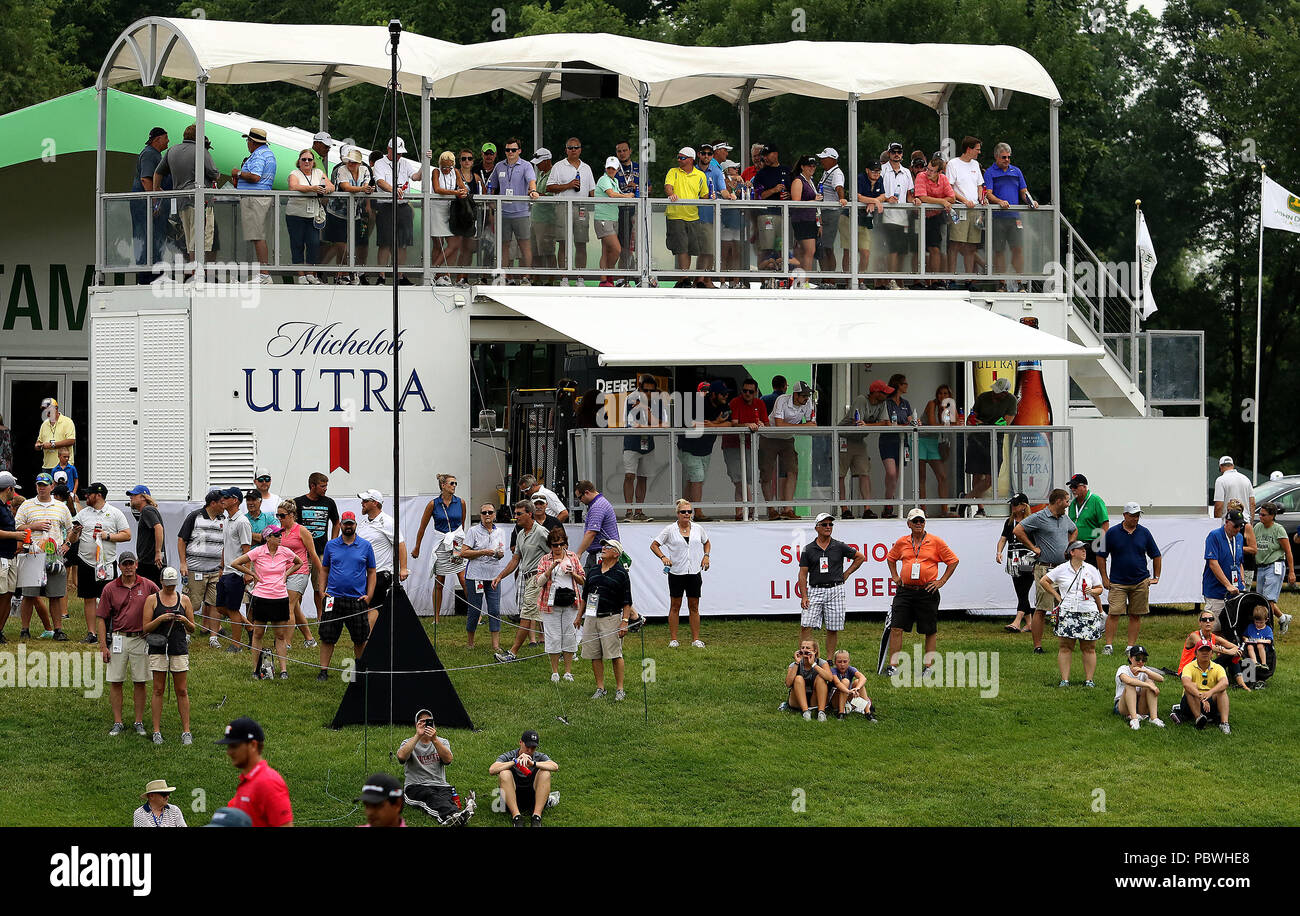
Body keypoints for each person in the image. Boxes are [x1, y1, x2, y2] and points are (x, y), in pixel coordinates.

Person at [882, 509, 960, 676]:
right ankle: (893, 666)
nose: (919, 524)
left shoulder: (936, 541)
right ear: (909, 524)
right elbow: (890, 558)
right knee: (896, 627)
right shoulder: (902, 542)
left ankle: (928, 666)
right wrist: (895, 575)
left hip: (927, 591)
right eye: (915, 521)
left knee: (929, 629)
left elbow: (953, 561)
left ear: (925, 523)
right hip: (905, 590)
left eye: (921, 521)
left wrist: (942, 581)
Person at [97, 551, 160, 736]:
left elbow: (162, 599)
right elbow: (101, 618)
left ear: (137, 564)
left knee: (140, 681)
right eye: (124, 564)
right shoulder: (110, 588)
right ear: (119, 566)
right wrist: (102, 646)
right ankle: (118, 722)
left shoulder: (148, 585)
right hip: (118, 638)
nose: (128, 567)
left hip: (141, 638)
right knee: (116, 681)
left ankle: (138, 721)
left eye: (131, 563)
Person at [231, 525, 302, 680]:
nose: (280, 537)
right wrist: (253, 574)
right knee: (258, 633)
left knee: (280, 635)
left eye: (280, 534)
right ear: (268, 537)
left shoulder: (285, 551)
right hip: (261, 597)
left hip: (279, 597)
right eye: (277, 535)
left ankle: (283, 670)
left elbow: (299, 563)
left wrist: (286, 575)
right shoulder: (258, 551)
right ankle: (255, 670)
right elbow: (235, 563)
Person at [1014, 488, 1078, 654]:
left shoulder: (1064, 518)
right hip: (1045, 569)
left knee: (1065, 606)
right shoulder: (1040, 517)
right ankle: (1038, 646)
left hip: (1064, 569)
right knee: (1042, 608)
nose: (1067, 504)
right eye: (1066, 500)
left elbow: (1074, 530)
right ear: (1058, 501)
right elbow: (1018, 530)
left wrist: (1070, 545)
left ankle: (1065, 643)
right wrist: (1033, 547)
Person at [1096, 501, 1162, 656]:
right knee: (1114, 613)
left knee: (1135, 614)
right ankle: (1108, 645)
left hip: (1140, 581)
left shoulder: (1144, 532)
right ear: (1124, 515)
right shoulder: (1112, 533)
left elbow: (1156, 555)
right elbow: (1101, 556)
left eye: (1138, 515)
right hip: (1118, 581)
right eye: (1132, 516)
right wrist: (1104, 578)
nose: (1136, 519)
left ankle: (1130, 647)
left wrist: (1156, 577)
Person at [69, 481, 132, 644]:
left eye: (89, 494)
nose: (86, 496)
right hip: (86, 561)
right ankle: (91, 633)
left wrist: (108, 536)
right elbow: (72, 537)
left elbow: (127, 535)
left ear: (98, 495)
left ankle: (110, 631)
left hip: (106, 562)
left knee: (109, 598)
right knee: (88, 598)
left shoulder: (115, 513)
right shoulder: (83, 514)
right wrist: (74, 533)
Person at [15, 472, 74, 641]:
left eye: (45, 485)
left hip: (54, 555)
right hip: (32, 554)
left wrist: (67, 544)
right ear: (36, 487)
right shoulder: (27, 505)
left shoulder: (61, 507)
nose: (41, 488)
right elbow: (17, 526)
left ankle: (58, 630)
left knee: (55, 595)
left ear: (51, 486)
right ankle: (24, 629)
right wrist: (33, 525)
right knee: (29, 595)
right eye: (39, 485)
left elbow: (70, 529)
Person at [317, 511, 376, 678]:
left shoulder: (365, 546)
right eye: (345, 523)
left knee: (360, 637)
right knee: (327, 636)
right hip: (333, 598)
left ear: (355, 525)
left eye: (351, 523)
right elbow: (324, 569)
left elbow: (372, 572)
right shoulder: (331, 545)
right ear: (341, 525)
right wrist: (322, 591)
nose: (348, 526)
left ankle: (360, 670)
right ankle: (323, 671)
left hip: (357, 599)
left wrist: (369, 595)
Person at [798, 513, 864, 660]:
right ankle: (804, 657)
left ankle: (828, 660)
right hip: (815, 589)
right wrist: (804, 595)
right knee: (806, 624)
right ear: (817, 528)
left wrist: (846, 573)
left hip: (835, 589)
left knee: (833, 627)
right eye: (824, 524)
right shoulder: (808, 549)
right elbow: (802, 574)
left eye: (830, 524)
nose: (828, 527)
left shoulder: (839, 546)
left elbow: (860, 557)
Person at [1040, 539, 1105, 686]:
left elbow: (1100, 588)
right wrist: (1057, 596)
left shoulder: (1091, 569)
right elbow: (1044, 581)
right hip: (1068, 610)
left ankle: (1089, 680)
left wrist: (1092, 591)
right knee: (1065, 646)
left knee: (1089, 647)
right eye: (1080, 549)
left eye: (1085, 549)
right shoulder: (1061, 569)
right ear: (1072, 552)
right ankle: (1065, 680)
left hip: (1088, 610)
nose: (1084, 551)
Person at [141, 566, 195, 744]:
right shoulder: (152, 600)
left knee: (182, 690)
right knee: (158, 689)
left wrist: (185, 620)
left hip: (178, 648)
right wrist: (161, 619)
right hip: (158, 648)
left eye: (173, 584)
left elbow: (192, 629)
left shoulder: (184, 600)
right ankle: (156, 731)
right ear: (161, 582)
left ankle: (186, 731)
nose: (171, 588)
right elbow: (145, 628)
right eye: (168, 584)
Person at [492, 501, 550, 663]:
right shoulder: (520, 534)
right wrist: (500, 576)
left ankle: (512, 653)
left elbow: (556, 552)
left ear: (529, 514)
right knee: (544, 616)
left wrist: (546, 575)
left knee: (526, 615)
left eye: (519, 514)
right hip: (525, 579)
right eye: (515, 514)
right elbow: (515, 559)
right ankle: (565, 650)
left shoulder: (541, 532)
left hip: (538, 579)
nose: (515, 517)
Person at [398, 708, 475, 825]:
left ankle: (456, 816)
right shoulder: (408, 742)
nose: (425, 724)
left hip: (441, 785)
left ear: (434, 724)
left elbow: (448, 760)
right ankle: (453, 816)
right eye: (421, 722)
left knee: (443, 799)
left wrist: (433, 739)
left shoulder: (442, 742)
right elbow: (401, 757)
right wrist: (418, 735)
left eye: (429, 721)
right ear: (416, 725)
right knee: (430, 796)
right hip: (416, 786)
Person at [651, 499, 711, 648]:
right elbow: (654, 545)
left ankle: (696, 639)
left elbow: (707, 542)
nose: (687, 514)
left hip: (694, 572)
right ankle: (673, 639)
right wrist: (663, 557)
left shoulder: (698, 528)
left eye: (689, 511)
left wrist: (706, 556)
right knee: (675, 605)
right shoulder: (670, 530)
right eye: (683, 512)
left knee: (694, 605)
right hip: (677, 572)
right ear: (677, 514)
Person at [581, 539, 636, 700]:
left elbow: (627, 601)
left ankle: (620, 689)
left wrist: (624, 621)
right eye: (603, 546)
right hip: (591, 618)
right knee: (594, 654)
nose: (603, 548)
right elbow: (585, 596)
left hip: (611, 618)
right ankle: (600, 688)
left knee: (615, 654)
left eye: (608, 547)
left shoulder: (621, 573)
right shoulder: (593, 570)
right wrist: (579, 617)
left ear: (616, 554)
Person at [215, 716, 293, 826]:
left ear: (253, 745)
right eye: (228, 746)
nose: (229, 752)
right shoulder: (248, 782)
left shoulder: (268, 782)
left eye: (234, 746)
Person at [983, 143, 1039, 287]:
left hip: (1014, 217)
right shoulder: (990, 172)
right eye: (1004, 157)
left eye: (1008, 157)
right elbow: (988, 194)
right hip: (997, 217)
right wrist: (999, 201)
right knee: (999, 250)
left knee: (1018, 249)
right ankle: (1001, 283)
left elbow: (1023, 191)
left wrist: (1031, 201)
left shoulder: (1016, 171)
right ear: (996, 157)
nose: (1007, 160)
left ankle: (1020, 281)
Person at [413, 473, 468, 616]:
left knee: (462, 577)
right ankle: (436, 617)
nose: (454, 486)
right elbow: (422, 527)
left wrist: (462, 542)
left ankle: (475, 613)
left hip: (456, 541)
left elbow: (462, 524)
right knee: (439, 581)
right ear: (443, 485)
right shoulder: (433, 504)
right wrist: (417, 547)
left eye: (456, 484)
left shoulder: (461, 502)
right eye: (452, 483)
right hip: (441, 543)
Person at [486, 137, 540, 277]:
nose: (510, 152)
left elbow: (531, 181)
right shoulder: (499, 166)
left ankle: (526, 277)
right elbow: (491, 184)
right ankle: (502, 277)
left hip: (521, 213)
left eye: (513, 150)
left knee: (524, 245)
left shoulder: (526, 165)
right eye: (507, 150)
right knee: (504, 246)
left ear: (519, 151)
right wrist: (490, 200)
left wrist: (533, 190)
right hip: (503, 213)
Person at [355, 489, 408, 631]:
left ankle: (368, 638)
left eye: (365, 501)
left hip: (380, 572)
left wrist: (403, 568)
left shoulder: (388, 522)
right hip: (363, 573)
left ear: (375, 503)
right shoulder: (363, 523)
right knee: (363, 606)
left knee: (372, 605)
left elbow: (400, 545)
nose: (362, 503)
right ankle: (368, 637)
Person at [837, 383, 891, 519]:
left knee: (864, 472)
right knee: (840, 474)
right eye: (884, 392)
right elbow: (858, 423)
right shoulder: (862, 400)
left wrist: (868, 425)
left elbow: (886, 422)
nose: (886, 395)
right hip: (844, 438)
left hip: (859, 441)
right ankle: (844, 509)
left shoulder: (882, 403)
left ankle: (867, 509)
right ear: (875, 392)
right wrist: (869, 425)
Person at [536, 527, 583, 682]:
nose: (557, 547)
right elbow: (539, 582)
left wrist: (572, 573)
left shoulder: (573, 557)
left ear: (565, 544)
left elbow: (583, 581)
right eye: (554, 544)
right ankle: (555, 672)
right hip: (550, 604)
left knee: (570, 636)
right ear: (550, 545)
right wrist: (550, 569)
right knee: (553, 637)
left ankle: (568, 672)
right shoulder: (545, 559)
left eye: (560, 544)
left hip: (571, 603)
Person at [764, 380, 816, 520]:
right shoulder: (782, 400)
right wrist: (805, 426)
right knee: (766, 474)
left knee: (792, 470)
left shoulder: (807, 402)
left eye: (807, 395)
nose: (806, 398)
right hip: (769, 436)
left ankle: (787, 508)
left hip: (787, 438)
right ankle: (771, 510)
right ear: (795, 394)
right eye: (804, 395)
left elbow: (813, 424)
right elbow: (779, 425)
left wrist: (806, 425)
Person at [231, 126, 277, 284]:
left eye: (248, 140)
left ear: (253, 142)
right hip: (260, 197)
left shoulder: (258, 155)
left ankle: (264, 274)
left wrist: (237, 172)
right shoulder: (268, 154)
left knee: (257, 236)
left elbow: (256, 177)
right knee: (258, 235)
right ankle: (263, 274)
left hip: (255, 198)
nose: (247, 143)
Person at [460, 503, 508, 652]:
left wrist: (499, 554)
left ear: (494, 515)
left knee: (494, 609)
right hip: (475, 576)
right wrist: (482, 552)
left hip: (493, 575)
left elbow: (501, 552)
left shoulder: (500, 531)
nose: (487, 515)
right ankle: (470, 642)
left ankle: (495, 645)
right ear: (480, 515)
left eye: (490, 512)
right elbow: (463, 552)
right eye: (484, 512)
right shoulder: (473, 531)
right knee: (475, 609)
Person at [678, 381, 732, 514]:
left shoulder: (723, 406)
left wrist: (713, 424)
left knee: (695, 480)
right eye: (723, 394)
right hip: (688, 448)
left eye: (726, 394)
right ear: (714, 395)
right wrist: (714, 423)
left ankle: (684, 511)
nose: (726, 396)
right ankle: (698, 512)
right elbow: (689, 423)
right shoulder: (698, 404)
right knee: (698, 477)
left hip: (705, 450)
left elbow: (729, 424)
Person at [323, 147, 375, 283]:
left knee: (354, 244)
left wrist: (367, 189)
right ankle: (342, 274)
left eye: (354, 162)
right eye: (349, 161)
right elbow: (346, 187)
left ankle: (351, 272)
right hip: (337, 213)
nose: (351, 164)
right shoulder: (341, 170)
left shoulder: (364, 170)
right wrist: (364, 189)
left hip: (355, 213)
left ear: (359, 163)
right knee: (341, 245)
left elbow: (366, 185)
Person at [273, 499, 321, 649]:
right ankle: (309, 638)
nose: (279, 519)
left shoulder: (302, 531)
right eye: (278, 515)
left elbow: (313, 554)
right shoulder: (279, 531)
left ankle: (286, 643)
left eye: (282, 515)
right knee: (295, 608)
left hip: (300, 572)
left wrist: (324, 575)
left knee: (289, 605)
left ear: (292, 515)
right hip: (283, 573)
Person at [373, 137, 423, 279]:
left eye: (401, 153)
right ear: (389, 149)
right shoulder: (379, 163)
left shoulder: (405, 163)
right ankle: (381, 275)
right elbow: (380, 182)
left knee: (403, 243)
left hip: (403, 206)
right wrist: (393, 189)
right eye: (396, 152)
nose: (399, 155)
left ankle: (400, 275)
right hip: (385, 206)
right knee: (385, 242)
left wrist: (425, 163)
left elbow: (415, 177)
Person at [548, 137, 596, 279]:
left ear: (580, 149)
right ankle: (564, 277)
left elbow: (592, 192)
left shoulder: (586, 168)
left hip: (582, 208)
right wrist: (568, 185)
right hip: (563, 207)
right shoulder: (558, 166)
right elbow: (549, 187)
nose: (573, 150)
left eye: (576, 147)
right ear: (566, 150)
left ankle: (580, 276)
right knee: (563, 243)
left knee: (581, 244)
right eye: (570, 148)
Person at [489, 730, 558, 826]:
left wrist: (533, 763)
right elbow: (492, 770)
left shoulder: (539, 756)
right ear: (520, 742)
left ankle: (536, 817)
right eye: (527, 746)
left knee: (545, 773)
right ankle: (516, 817)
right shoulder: (509, 755)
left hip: (533, 798)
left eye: (533, 748)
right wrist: (515, 762)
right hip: (512, 798)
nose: (529, 750)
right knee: (504, 773)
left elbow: (555, 766)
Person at [285, 148, 334, 284]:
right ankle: (301, 274)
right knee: (297, 244)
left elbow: (331, 186)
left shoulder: (318, 172)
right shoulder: (294, 173)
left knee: (313, 244)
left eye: (309, 159)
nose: (307, 161)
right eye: (304, 159)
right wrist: (312, 189)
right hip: (295, 214)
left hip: (312, 214)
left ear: (313, 162)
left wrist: (325, 189)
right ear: (299, 162)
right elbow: (293, 186)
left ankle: (311, 273)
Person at [295, 472, 339, 623]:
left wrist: (333, 543)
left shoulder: (329, 502)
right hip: (301, 553)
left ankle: (322, 618)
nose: (325, 489)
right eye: (322, 486)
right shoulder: (298, 502)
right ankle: (295, 618)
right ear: (312, 486)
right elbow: (292, 525)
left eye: (326, 485)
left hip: (321, 552)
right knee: (296, 589)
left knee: (320, 588)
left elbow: (337, 522)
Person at [622, 374, 667, 521]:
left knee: (643, 477)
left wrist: (645, 410)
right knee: (630, 475)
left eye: (651, 390)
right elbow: (631, 424)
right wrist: (651, 424)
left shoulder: (658, 399)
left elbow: (664, 424)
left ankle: (639, 511)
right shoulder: (630, 398)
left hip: (648, 444)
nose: (648, 393)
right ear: (639, 388)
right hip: (631, 443)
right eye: (645, 390)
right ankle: (629, 511)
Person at [723, 378, 768, 520]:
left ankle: (739, 512)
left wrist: (760, 424)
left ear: (755, 392)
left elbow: (766, 423)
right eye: (744, 391)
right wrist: (747, 424)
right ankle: (751, 509)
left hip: (750, 445)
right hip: (732, 445)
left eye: (750, 391)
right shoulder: (735, 402)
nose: (747, 394)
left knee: (745, 481)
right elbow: (733, 424)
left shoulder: (760, 403)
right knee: (738, 480)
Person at [214, 487, 252, 651]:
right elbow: (225, 547)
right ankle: (250, 627)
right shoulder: (228, 520)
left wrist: (248, 572)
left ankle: (237, 645)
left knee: (233, 609)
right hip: (227, 571)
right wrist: (222, 567)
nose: (222, 500)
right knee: (221, 607)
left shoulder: (242, 522)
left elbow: (247, 550)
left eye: (226, 497)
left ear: (235, 500)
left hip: (237, 572)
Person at [664, 147, 712, 277]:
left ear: (691, 160)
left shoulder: (700, 175)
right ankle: (684, 278)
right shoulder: (673, 172)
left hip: (693, 216)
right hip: (675, 215)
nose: (679, 160)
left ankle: (684, 278)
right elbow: (668, 186)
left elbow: (704, 195)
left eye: (682, 158)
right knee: (681, 248)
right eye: (678, 157)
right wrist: (671, 194)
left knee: (690, 249)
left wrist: (711, 197)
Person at [130, 126, 170, 281]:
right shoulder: (149, 154)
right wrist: (155, 202)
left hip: (145, 204)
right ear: (157, 139)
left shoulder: (154, 154)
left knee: (153, 237)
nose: (168, 141)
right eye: (166, 138)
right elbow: (146, 179)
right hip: (143, 205)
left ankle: (154, 272)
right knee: (146, 236)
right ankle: (147, 275)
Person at [945, 136, 985, 279]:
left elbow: (980, 185)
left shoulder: (975, 164)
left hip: (975, 210)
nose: (979, 152)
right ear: (969, 149)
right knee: (956, 243)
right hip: (960, 209)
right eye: (977, 149)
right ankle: (951, 278)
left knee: (971, 246)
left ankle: (969, 279)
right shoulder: (953, 164)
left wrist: (981, 198)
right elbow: (949, 189)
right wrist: (964, 200)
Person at [1169, 642, 1232, 733]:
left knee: (1222, 691)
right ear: (1195, 653)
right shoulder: (1188, 667)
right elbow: (1186, 684)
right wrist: (1202, 698)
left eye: (1208, 650)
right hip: (1191, 700)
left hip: (1209, 700)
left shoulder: (1218, 668)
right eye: (1201, 650)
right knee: (1191, 687)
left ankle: (1224, 723)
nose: (1205, 653)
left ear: (1212, 654)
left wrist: (1210, 693)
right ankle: (1199, 718)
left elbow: (1225, 682)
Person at [1252, 502, 1295, 633]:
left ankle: (1268, 629)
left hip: (1275, 565)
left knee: (1268, 600)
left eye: (1264, 515)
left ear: (1272, 516)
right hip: (1261, 566)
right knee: (1260, 600)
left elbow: (1288, 551)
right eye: (1260, 514)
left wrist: (1291, 572)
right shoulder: (1257, 527)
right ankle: (1282, 618)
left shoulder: (1279, 529)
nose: (1260, 517)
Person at [913, 153, 955, 283]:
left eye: (932, 171)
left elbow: (952, 198)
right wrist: (942, 202)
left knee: (935, 249)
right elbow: (922, 197)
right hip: (919, 217)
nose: (928, 172)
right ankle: (917, 281)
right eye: (928, 169)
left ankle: (935, 281)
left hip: (935, 217)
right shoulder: (921, 176)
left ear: (940, 172)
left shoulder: (943, 178)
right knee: (917, 250)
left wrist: (940, 201)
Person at [997, 494, 1036, 633]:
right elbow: (1003, 539)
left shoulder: (1031, 522)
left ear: (1024, 506)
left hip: (1027, 558)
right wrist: (999, 552)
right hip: (1013, 559)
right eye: (1012, 504)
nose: (1013, 506)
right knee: (1020, 591)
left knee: (1023, 590)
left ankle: (1017, 621)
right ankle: (1030, 623)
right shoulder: (1009, 522)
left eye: (1016, 504)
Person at [879, 374, 915, 518]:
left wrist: (913, 422)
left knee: (897, 476)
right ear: (897, 385)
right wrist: (904, 424)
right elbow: (887, 423)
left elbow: (910, 419)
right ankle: (888, 502)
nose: (907, 386)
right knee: (891, 473)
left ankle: (889, 506)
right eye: (904, 384)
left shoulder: (905, 403)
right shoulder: (887, 403)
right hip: (888, 440)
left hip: (902, 441)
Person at [429, 150, 469, 279]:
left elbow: (462, 186)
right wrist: (456, 193)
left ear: (453, 165)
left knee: (454, 244)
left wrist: (463, 191)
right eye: (444, 167)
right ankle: (436, 274)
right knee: (438, 244)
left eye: (449, 167)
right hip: (436, 209)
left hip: (451, 210)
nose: (446, 170)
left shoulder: (456, 172)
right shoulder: (436, 171)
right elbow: (437, 189)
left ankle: (439, 271)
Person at [878, 142, 915, 282]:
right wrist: (887, 199)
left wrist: (914, 200)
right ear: (889, 153)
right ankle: (890, 281)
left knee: (901, 251)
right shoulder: (881, 170)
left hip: (903, 217)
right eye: (894, 152)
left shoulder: (906, 172)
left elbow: (909, 194)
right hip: (885, 216)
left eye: (899, 152)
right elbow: (877, 192)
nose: (896, 154)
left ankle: (898, 281)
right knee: (891, 250)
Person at [1203, 509, 1247, 622]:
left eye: (1240, 526)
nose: (1238, 529)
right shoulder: (1214, 536)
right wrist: (1227, 585)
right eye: (1235, 526)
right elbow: (1213, 563)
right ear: (1227, 522)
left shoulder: (1239, 537)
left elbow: (1239, 561)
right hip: (1217, 591)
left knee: (1235, 624)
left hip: (1236, 590)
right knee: (1216, 626)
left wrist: (1242, 580)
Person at [595, 156, 632, 283]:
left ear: (617, 170)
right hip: (603, 219)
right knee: (617, 249)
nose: (611, 170)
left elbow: (618, 194)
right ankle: (609, 274)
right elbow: (611, 194)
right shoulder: (604, 179)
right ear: (606, 168)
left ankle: (604, 280)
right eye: (609, 168)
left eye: (613, 168)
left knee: (606, 251)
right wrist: (626, 196)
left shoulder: (614, 180)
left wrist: (628, 194)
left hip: (612, 219)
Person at [919, 384, 955, 516]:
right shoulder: (931, 404)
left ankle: (944, 510)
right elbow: (933, 424)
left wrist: (950, 406)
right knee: (921, 477)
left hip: (934, 442)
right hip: (921, 440)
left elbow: (956, 423)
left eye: (946, 394)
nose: (943, 396)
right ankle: (922, 511)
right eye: (940, 393)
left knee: (942, 476)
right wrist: (947, 424)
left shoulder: (949, 406)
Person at [1066, 473, 1110, 580]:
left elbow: (1104, 524)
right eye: (1071, 487)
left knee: (1088, 577)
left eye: (1075, 486)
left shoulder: (1095, 500)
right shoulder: (1073, 504)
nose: (1073, 489)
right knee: (1075, 577)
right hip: (1076, 546)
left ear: (1084, 486)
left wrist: (1101, 547)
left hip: (1091, 545)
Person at [1114, 645, 1165, 729]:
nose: (1140, 662)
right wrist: (1149, 685)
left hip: (1140, 705)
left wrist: (1145, 671)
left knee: (1149, 681)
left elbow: (1161, 679)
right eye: (1137, 658)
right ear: (1130, 658)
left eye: (1144, 659)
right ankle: (1134, 719)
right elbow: (1128, 681)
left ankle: (1154, 718)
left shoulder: (1143, 670)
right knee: (1131, 685)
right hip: (1123, 705)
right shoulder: (1123, 669)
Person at [783, 637, 834, 721]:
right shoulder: (794, 664)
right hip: (797, 699)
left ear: (815, 651)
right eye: (802, 648)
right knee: (798, 678)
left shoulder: (822, 663)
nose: (804, 650)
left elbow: (830, 678)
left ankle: (821, 713)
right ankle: (805, 712)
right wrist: (797, 663)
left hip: (815, 697)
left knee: (821, 678)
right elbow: (788, 684)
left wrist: (813, 664)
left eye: (808, 648)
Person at [127, 485, 166, 585]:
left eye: (134, 495)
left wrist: (158, 552)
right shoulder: (148, 511)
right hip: (147, 562)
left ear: (143, 497)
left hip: (151, 563)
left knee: (151, 595)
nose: (131, 497)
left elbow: (158, 528)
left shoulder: (147, 510)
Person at [789, 155, 821, 274]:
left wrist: (819, 222)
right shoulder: (798, 181)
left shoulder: (810, 181)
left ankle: (801, 280)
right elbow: (796, 203)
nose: (812, 168)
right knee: (809, 251)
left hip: (811, 219)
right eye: (809, 166)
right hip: (802, 220)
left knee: (804, 252)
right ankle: (805, 281)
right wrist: (814, 201)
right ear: (802, 167)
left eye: (814, 166)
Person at [613, 139, 642, 270]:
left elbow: (650, 188)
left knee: (636, 245)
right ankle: (621, 275)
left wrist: (637, 187)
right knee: (622, 245)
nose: (622, 153)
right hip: (619, 210)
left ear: (630, 151)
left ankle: (636, 272)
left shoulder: (639, 167)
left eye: (625, 150)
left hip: (636, 210)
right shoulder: (612, 169)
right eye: (619, 151)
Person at [0, 471, 21, 643]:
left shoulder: (6, 507)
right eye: (14, 489)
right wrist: (15, 536)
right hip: (1, 557)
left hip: (10, 556)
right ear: (9, 489)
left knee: (9, 593)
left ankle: (0, 630)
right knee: (1, 594)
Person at [828, 648, 875, 720]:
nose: (842, 664)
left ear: (848, 661)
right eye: (839, 662)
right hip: (835, 700)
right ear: (835, 662)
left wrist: (857, 688)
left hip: (847, 697)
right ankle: (840, 713)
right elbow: (837, 683)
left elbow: (863, 678)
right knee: (845, 681)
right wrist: (848, 691)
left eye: (845, 661)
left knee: (857, 682)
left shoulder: (850, 669)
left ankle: (868, 713)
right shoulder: (833, 671)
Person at [35, 397, 76, 470]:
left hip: (64, 466)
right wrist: (38, 445)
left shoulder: (67, 421)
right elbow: (39, 441)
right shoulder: (44, 424)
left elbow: (71, 440)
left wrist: (52, 445)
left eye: (48, 409)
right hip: (47, 466)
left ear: (56, 409)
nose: (46, 411)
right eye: (44, 409)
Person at [1242, 605, 1274, 677]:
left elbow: (1269, 641)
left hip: (1263, 647)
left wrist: (1261, 640)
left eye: (1261, 623)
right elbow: (1244, 636)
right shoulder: (1250, 627)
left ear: (1266, 620)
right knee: (1249, 646)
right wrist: (1245, 639)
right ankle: (1255, 662)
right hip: (1251, 645)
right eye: (1256, 622)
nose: (1258, 624)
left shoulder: (1268, 629)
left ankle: (1264, 663)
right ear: (1254, 620)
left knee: (1260, 645)